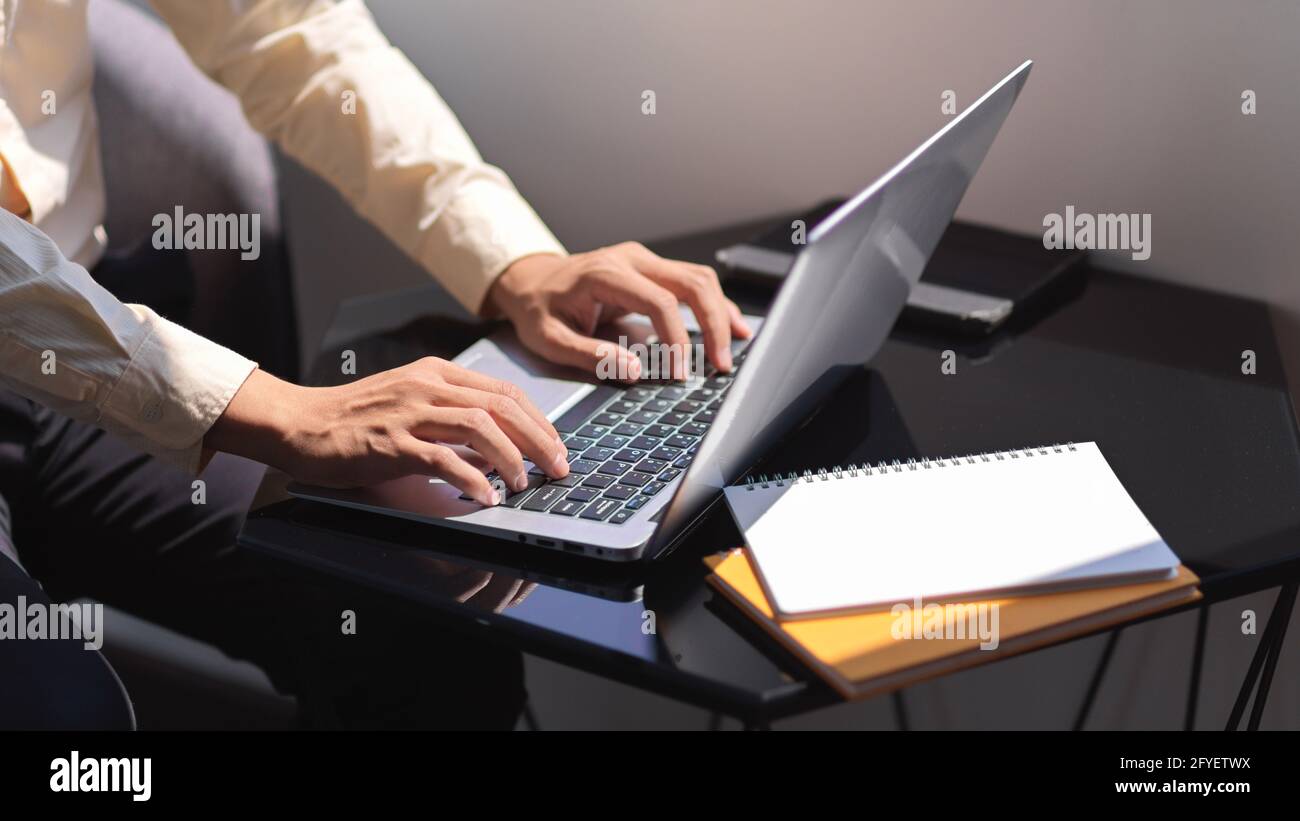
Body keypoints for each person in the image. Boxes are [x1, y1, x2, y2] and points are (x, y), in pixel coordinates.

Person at [0, 0, 749, 729]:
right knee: (65, 709)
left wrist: (514, 261)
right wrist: (284, 410)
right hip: (73, 347)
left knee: (421, 609)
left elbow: (285, 27)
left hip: (79, 353)